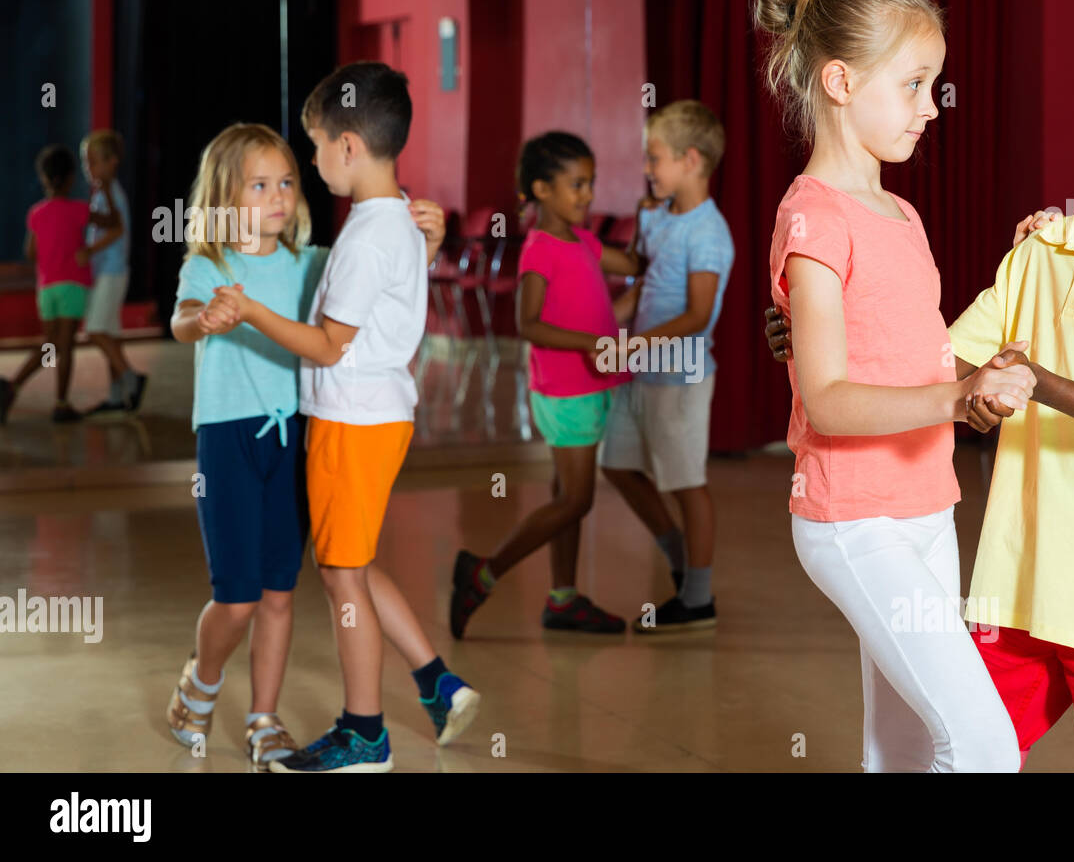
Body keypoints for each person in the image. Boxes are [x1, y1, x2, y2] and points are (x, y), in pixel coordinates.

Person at [765, 12, 1074, 772]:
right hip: (1018, 590)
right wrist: (817, 324)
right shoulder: (1044, 246)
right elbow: (934, 363)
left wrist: (1035, 380)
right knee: (956, 751)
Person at [756, 0, 1032, 771]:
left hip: (925, 502)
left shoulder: (903, 213)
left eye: (933, 85)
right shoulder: (812, 218)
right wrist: (956, 398)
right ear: (841, 83)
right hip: (854, 517)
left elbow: (914, 345)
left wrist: (1016, 292)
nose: (931, 108)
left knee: (906, 745)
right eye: (913, 85)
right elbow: (832, 399)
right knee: (983, 747)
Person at [217, 63, 479, 772]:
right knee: (353, 564)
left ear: (349, 147)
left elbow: (331, 345)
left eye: (315, 144)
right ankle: (434, 680)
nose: (310, 159)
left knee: (341, 578)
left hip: (352, 423)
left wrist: (253, 312)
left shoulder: (368, 237)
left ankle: (365, 733)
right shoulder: (389, 221)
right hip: (372, 418)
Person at [165, 122, 325, 769]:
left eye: (286, 182)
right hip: (228, 439)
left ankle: (264, 717)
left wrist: (423, 242)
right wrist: (201, 319)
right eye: (260, 185)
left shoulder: (312, 264)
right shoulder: (210, 265)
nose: (278, 196)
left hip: (293, 439)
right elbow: (179, 322)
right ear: (226, 197)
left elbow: (376, 278)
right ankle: (201, 682)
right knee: (238, 596)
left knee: (281, 591)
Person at [449, 131, 643, 639]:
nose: (587, 195)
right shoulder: (540, 249)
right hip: (565, 391)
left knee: (566, 493)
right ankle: (482, 574)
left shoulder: (584, 242)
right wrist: (588, 344)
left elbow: (634, 271)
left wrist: (652, 230)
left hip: (589, 384)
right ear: (540, 189)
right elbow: (528, 322)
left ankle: (563, 599)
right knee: (575, 500)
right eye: (576, 184)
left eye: (590, 183)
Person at [598, 100, 734, 632]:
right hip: (643, 373)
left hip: (681, 378)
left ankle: (698, 598)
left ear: (691, 161)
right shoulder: (655, 217)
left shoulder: (709, 233)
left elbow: (697, 314)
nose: (648, 169)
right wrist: (610, 325)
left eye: (655, 159)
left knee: (686, 484)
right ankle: (679, 555)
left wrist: (632, 346)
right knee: (617, 465)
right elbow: (644, 283)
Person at [0, 145, 92, 424]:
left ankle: (11, 387)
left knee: (51, 344)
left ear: (43, 177)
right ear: (71, 178)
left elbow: (30, 253)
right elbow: (112, 221)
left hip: (47, 288)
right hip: (72, 286)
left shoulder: (36, 212)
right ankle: (61, 403)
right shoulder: (79, 210)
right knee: (65, 347)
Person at [79, 129, 147, 415]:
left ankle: (131, 378)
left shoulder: (111, 193)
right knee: (109, 333)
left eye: (94, 162)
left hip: (112, 271)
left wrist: (89, 252)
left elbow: (117, 228)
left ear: (112, 162)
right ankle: (117, 394)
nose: (89, 168)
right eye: (86, 162)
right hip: (106, 271)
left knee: (95, 330)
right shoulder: (102, 194)